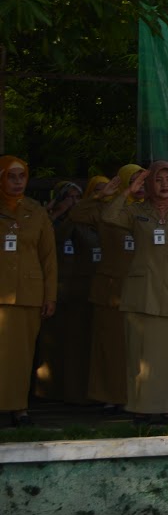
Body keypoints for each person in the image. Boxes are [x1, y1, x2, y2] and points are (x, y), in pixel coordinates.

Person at [102, 162, 168, 420]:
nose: (165, 184)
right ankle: (140, 407)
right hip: (142, 291)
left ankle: (167, 406)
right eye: (159, 179)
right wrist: (128, 190)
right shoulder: (136, 212)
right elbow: (109, 216)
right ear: (149, 184)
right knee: (139, 352)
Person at [74, 164, 143, 409]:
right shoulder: (106, 208)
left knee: (139, 347)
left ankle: (138, 396)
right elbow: (77, 215)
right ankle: (110, 397)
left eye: (143, 181)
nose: (140, 186)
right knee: (111, 346)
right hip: (111, 287)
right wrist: (98, 196)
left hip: (141, 287)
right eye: (134, 181)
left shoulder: (149, 210)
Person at [0, 156, 56, 426]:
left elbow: (49, 258)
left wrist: (50, 295)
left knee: (22, 354)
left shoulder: (36, 211)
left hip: (28, 294)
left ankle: (18, 407)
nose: (17, 182)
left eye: (21, 176)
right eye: (11, 176)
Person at [36, 180, 92, 405]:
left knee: (78, 344)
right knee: (53, 344)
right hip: (56, 289)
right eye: (69, 197)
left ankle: (76, 392)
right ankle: (48, 392)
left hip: (80, 291)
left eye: (78, 198)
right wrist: (64, 214)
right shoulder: (51, 221)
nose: (74, 203)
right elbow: (57, 237)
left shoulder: (84, 222)